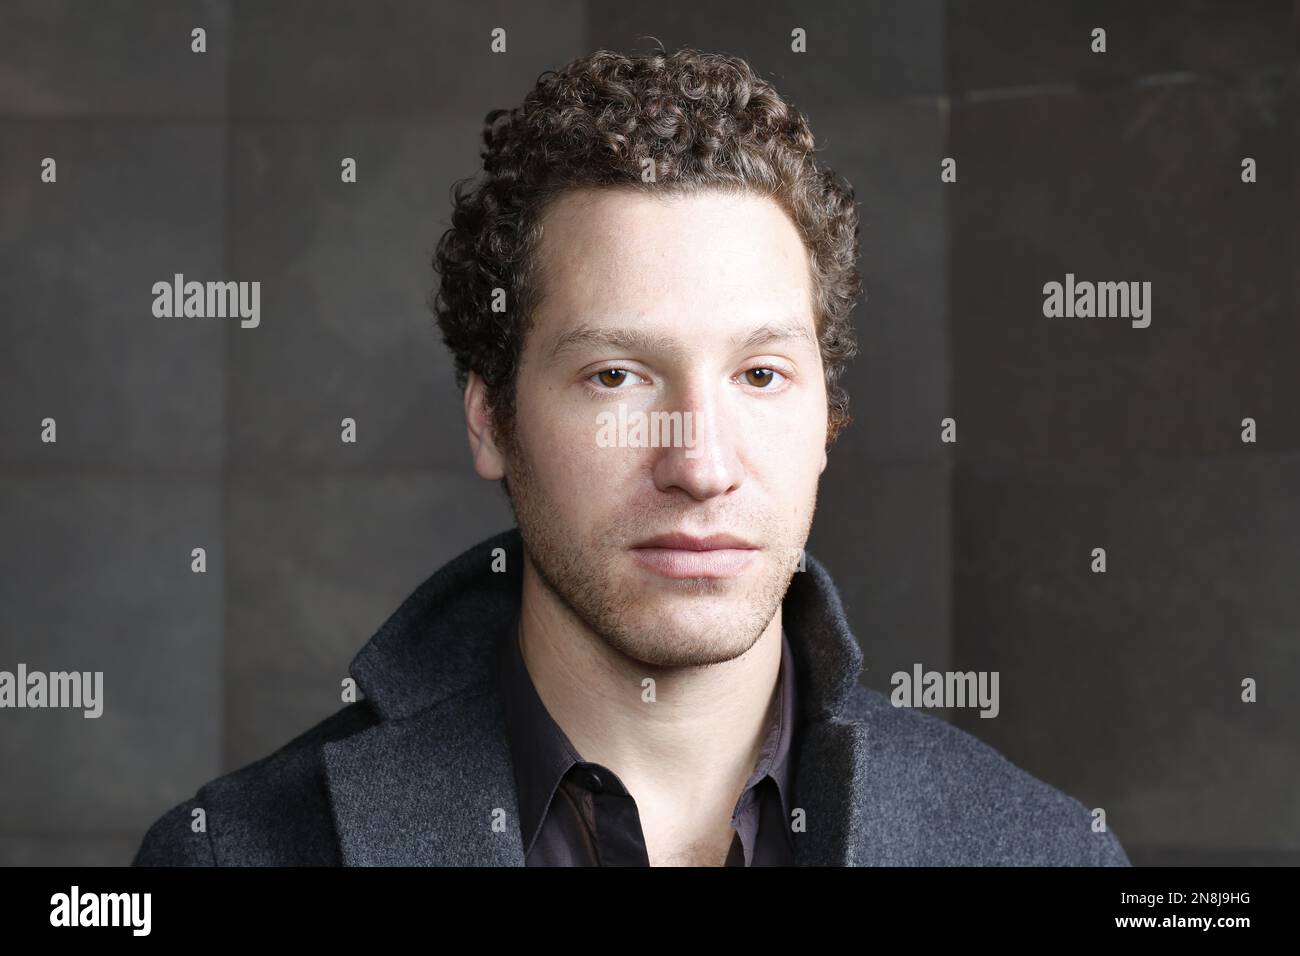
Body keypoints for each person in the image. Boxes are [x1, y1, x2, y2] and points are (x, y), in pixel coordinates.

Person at [134, 46, 1128, 867]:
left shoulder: (1045, 852)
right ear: (489, 417)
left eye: (760, 374)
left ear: (827, 413)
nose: (700, 464)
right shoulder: (232, 853)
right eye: (617, 376)